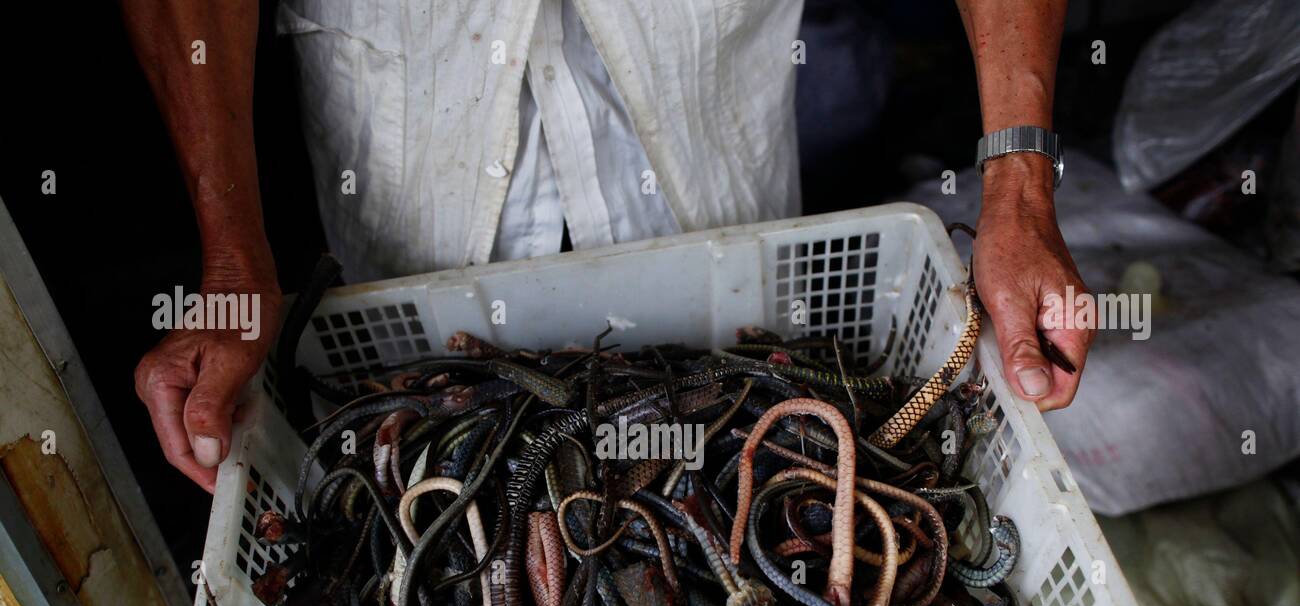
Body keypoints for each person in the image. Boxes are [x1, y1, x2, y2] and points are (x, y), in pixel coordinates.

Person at [124, 0, 1092, 492]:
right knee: (441, 448)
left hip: (706, 119)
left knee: (746, 428)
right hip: (411, 139)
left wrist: (1017, 179)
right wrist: (229, 261)